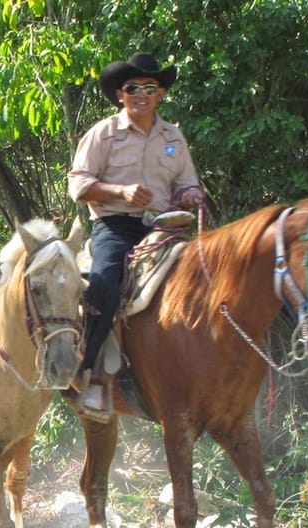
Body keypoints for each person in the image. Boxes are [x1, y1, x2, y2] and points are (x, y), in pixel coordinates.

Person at [67, 52, 205, 413]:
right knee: (104, 281)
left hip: (165, 227)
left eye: (150, 87)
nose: (141, 94)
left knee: (206, 278)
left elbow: (187, 182)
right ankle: (90, 372)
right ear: (120, 95)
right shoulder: (103, 134)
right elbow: (79, 185)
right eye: (133, 88)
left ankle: (204, 372)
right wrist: (121, 191)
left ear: (160, 94)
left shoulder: (173, 136)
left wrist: (190, 194)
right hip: (116, 225)